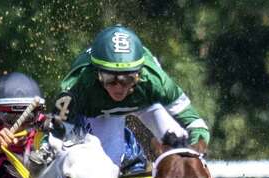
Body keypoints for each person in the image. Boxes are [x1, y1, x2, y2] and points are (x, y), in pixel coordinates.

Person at [54, 25, 210, 167]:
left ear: (139, 75)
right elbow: (59, 132)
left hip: (145, 104)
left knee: (180, 143)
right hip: (99, 114)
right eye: (110, 79)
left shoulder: (155, 80)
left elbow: (197, 126)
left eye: (127, 79)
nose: (119, 88)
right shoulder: (79, 84)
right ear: (96, 74)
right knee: (108, 164)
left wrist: (195, 150)